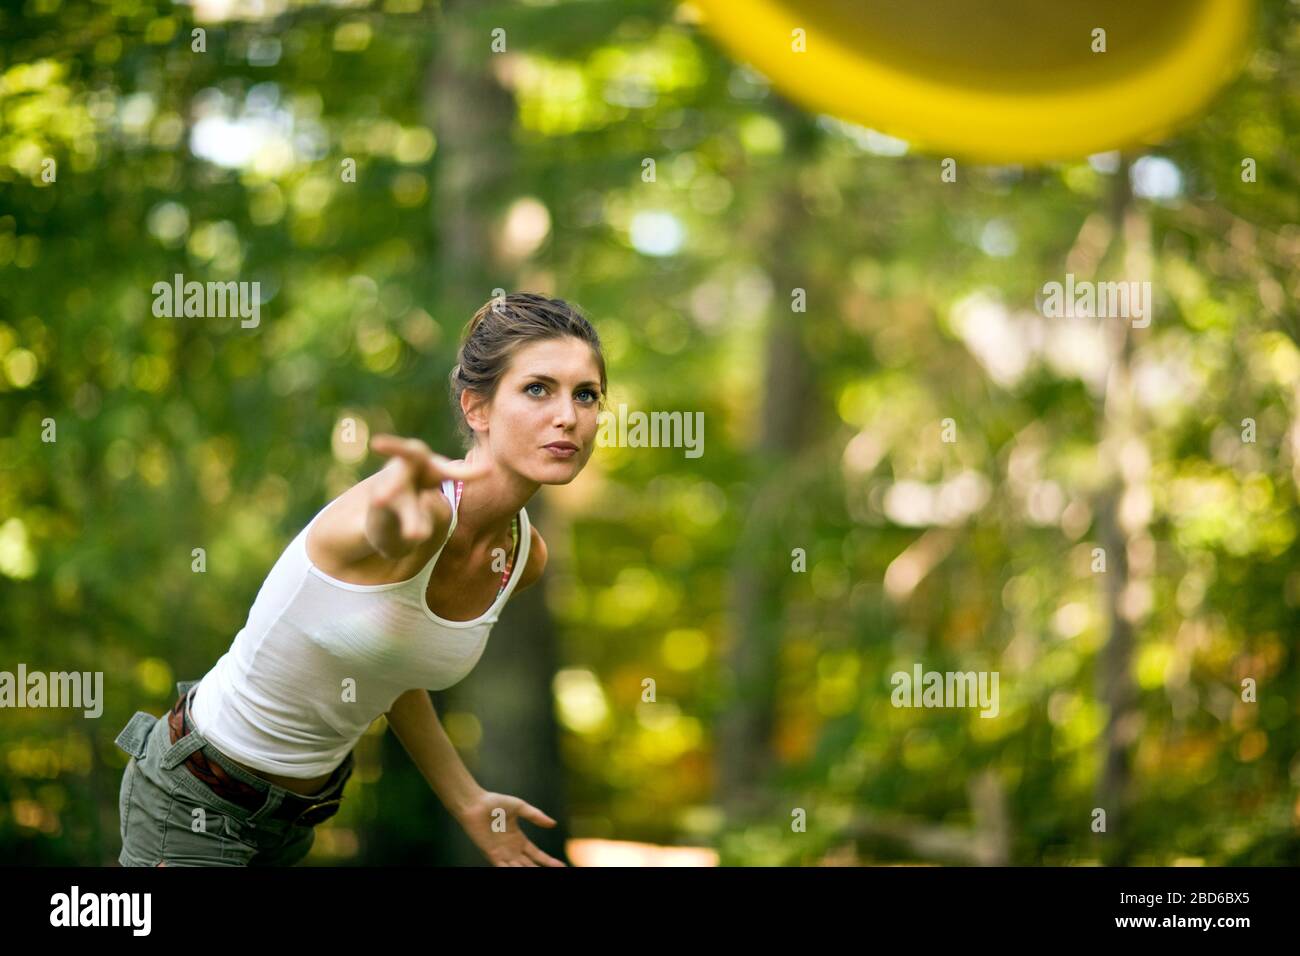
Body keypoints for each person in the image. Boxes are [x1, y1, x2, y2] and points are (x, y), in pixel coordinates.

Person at [115, 293, 606, 866]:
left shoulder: (523, 557)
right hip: (193, 797)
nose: (568, 416)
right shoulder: (410, 512)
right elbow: (387, 530)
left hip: (293, 823)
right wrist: (399, 507)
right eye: (537, 389)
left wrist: (469, 801)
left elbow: (395, 671)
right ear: (478, 409)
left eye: (586, 394)